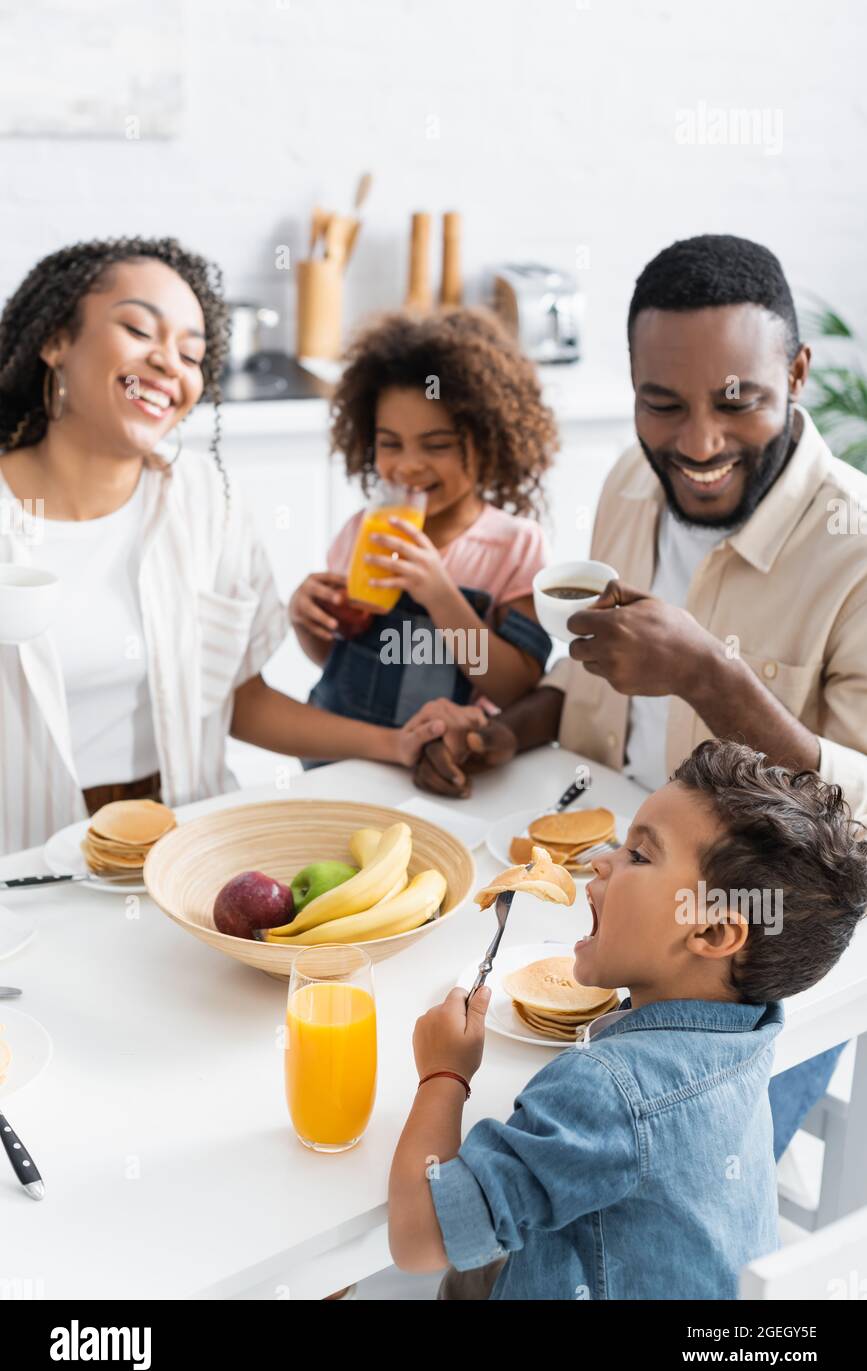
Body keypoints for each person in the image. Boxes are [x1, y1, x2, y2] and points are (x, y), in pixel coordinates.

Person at [413, 234, 867, 1160]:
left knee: (580, 1201)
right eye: (661, 405)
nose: (697, 444)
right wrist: (505, 731)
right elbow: (583, 683)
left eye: (737, 403)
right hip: (591, 898)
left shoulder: (854, 547)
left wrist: (710, 675)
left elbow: (856, 829)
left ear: (798, 374)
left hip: (742, 977)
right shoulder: (631, 482)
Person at [0, 238, 449, 854]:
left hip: (182, 846)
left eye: (192, 354)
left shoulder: (209, 504)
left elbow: (240, 698)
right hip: (21, 860)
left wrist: (393, 744)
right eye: (138, 329)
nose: (169, 364)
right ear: (55, 341)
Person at [389, 740, 867, 1299]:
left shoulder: (603, 1093)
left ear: (713, 932)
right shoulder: (750, 1024)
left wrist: (443, 1075)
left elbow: (418, 1238)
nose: (601, 860)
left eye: (639, 857)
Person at [289, 309, 557, 763]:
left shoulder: (514, 546)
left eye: (437, 445)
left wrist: (439, 594)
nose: (409, 465)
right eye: (391, 444)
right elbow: (339, 659)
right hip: (346, 759)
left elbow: (517, 687)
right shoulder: (362, 530)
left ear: (491, 443)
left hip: (441, 763)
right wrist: (305, 620)